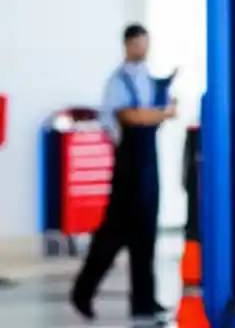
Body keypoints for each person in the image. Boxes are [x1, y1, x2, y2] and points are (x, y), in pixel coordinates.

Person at [71, 24, 178, 322]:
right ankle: (83, 290)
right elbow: (130, 116)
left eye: (147, 43)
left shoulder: (147, 78)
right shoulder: (118, 81)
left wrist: (159, 112)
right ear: (128, 45)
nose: (144, 49)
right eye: (139, 44)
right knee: (113, 233)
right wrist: (163, 113)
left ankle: (144, 302)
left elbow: (151, 113)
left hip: (148, 163)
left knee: (146, 235)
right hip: (128, 165)